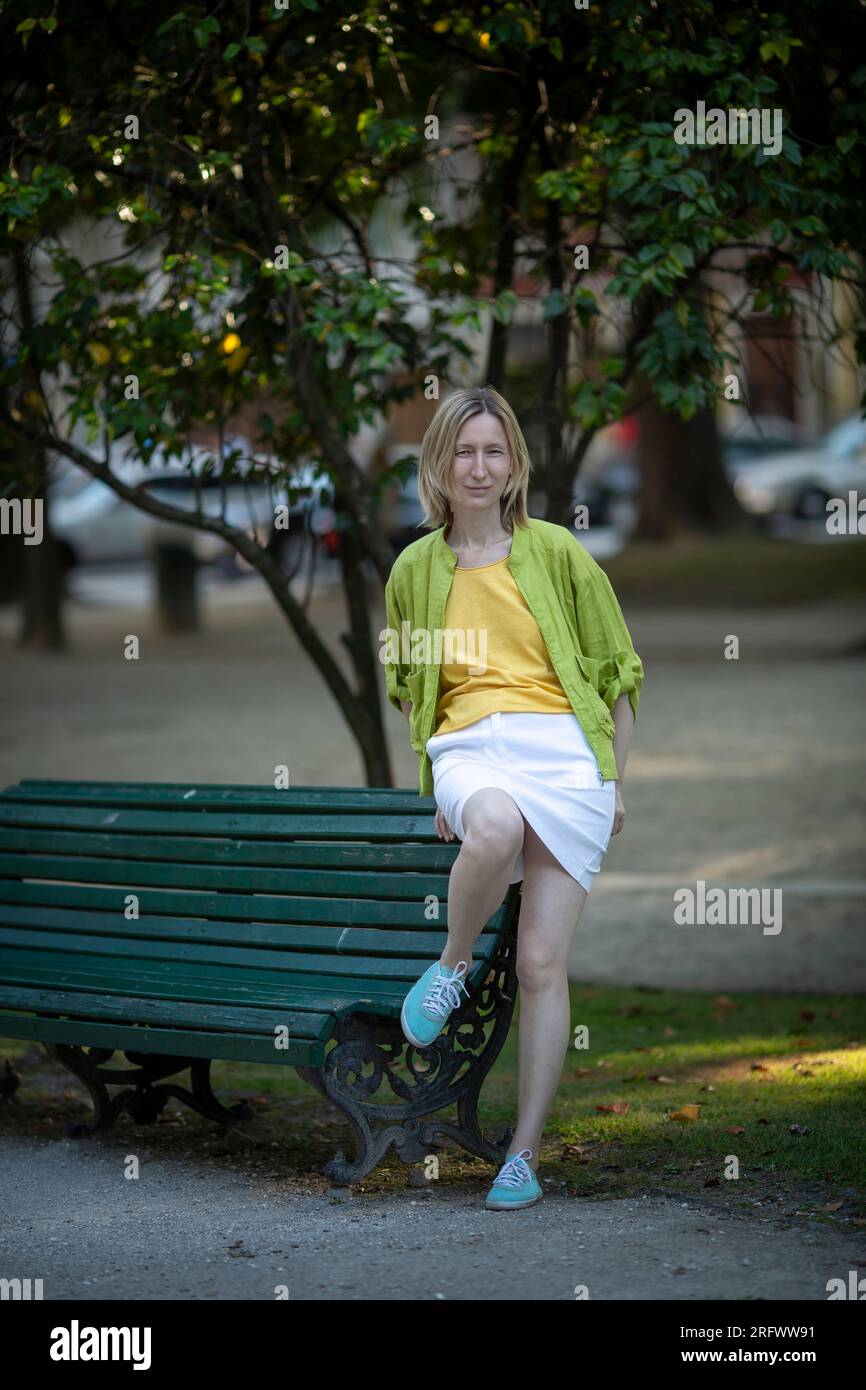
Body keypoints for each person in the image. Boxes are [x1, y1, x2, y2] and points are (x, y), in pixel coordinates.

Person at [382, 385, 644, 1210]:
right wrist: (446, 786)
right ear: (439, 462)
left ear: (515, 464)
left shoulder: (559, 553)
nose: (479, 466)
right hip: (472, 746)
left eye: (494, 451)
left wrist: (614, 783)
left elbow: (618, 677)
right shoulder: (414, 569)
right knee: (489, 828)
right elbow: (410, 688)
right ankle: (452, 966)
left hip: (564, 758)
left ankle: (523, 1156)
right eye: (464, 450)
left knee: (539, 963)